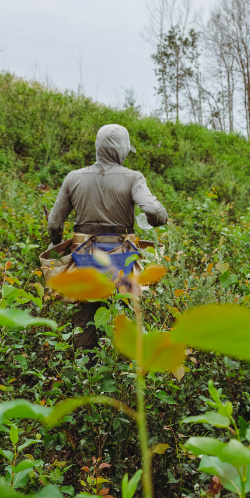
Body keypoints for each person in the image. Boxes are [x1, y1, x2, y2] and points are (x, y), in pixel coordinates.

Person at [46, 123, 169, 349]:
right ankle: (119, 372)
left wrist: (56, 245)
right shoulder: (133, 178)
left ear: (98, 147)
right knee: (123, 312)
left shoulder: (73, 178)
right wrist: (159, 219)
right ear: (121, 149)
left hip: (83, 258)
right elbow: (153, 211)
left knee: (84, 317)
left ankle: (84, 375)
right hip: (122, 259)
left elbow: (54, 223)